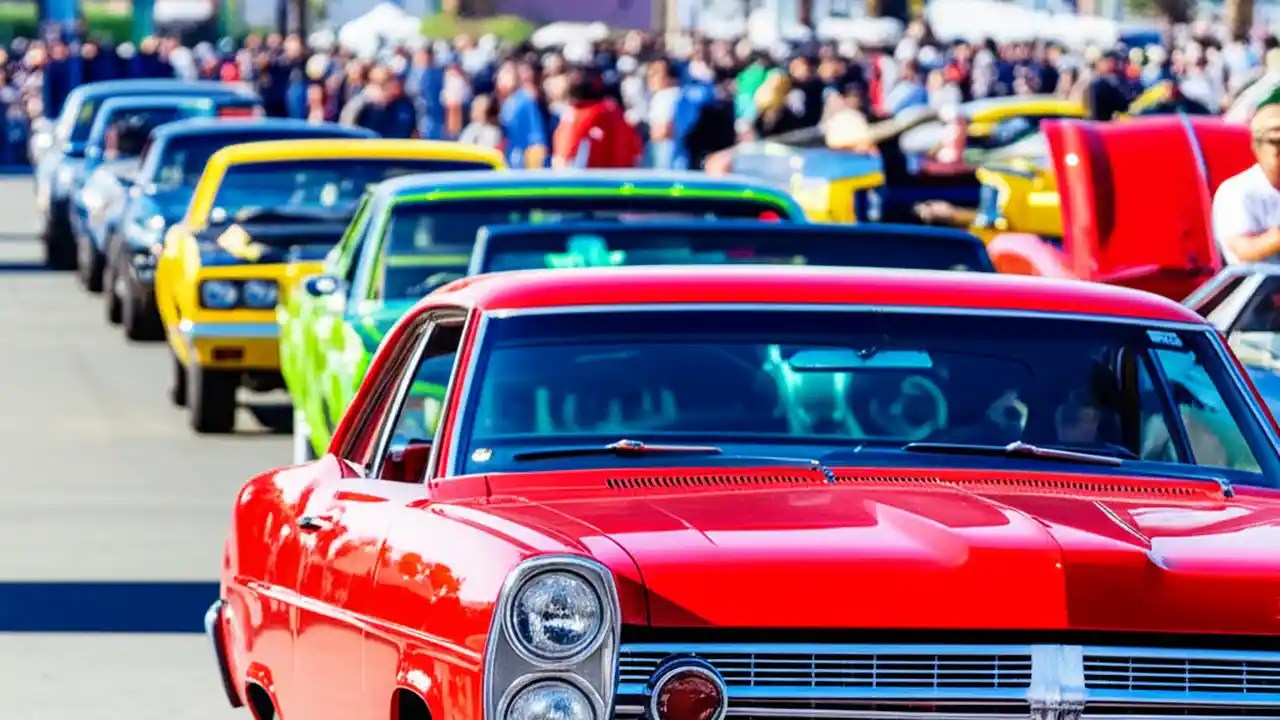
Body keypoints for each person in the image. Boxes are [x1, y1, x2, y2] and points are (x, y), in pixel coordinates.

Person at [1212, 102, 1280, 263]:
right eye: (1274, 142)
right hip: (1257, 281)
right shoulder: (1236, 191)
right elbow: (1243, 249)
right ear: (1256, 146)